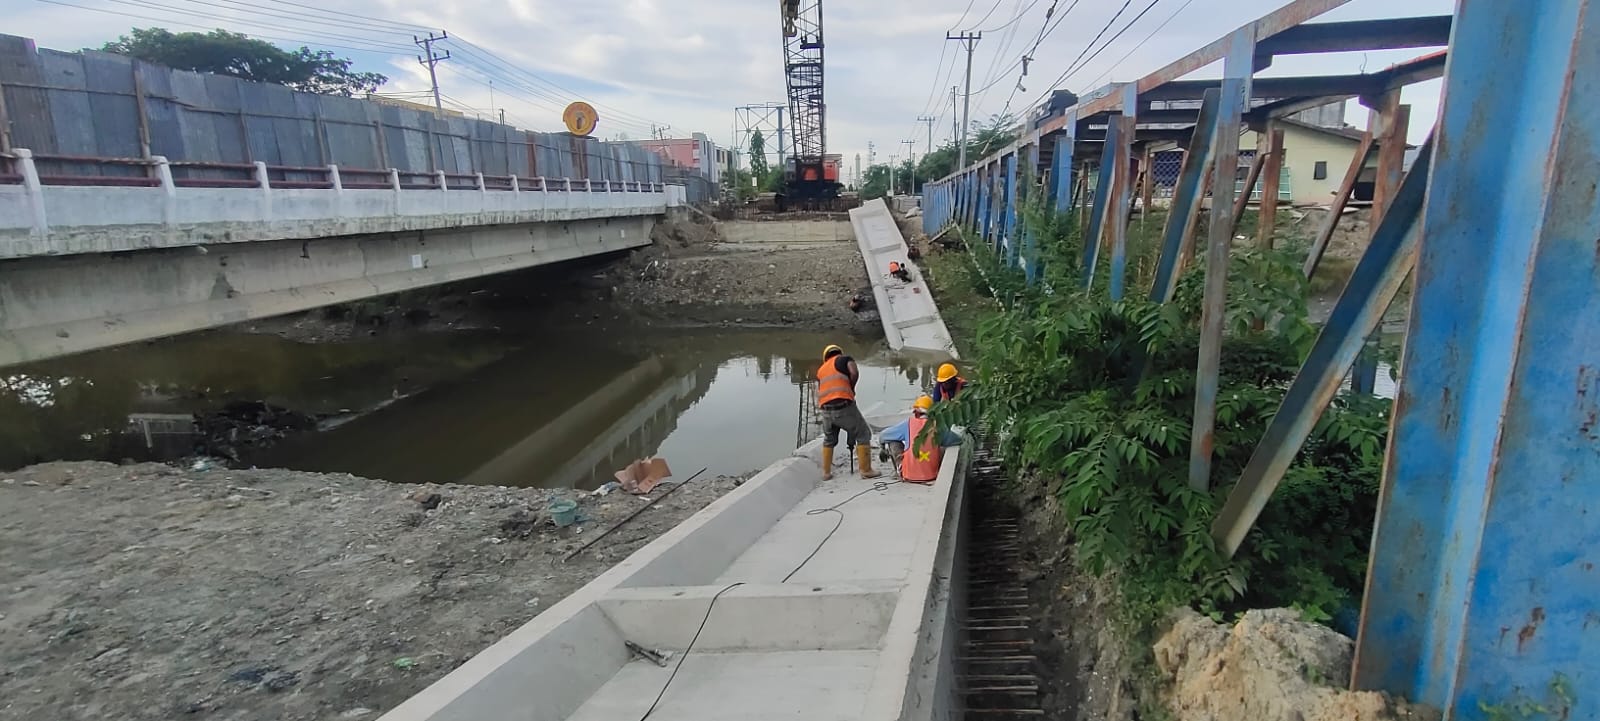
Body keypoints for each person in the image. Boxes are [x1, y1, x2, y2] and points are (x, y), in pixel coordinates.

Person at [816, 344, 882, 481]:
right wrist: (851, 388)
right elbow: (854, 372)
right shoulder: (844, 359)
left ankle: (826, 473)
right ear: (838, 352)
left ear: (825, 357)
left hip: (826, 410)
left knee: (829, 440)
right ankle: (866, 470)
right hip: (843, 405)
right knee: (863, 433)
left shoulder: (821, 370)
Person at [878, 395, 962, 483]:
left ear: (916, 413)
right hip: (932, 475)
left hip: (908, 475)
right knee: (941, 444)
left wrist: (882, 448)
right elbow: (957, 440)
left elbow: (883, 436)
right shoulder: (938, 425)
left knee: (893, 441)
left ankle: (898, 471)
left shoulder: (908, 424)